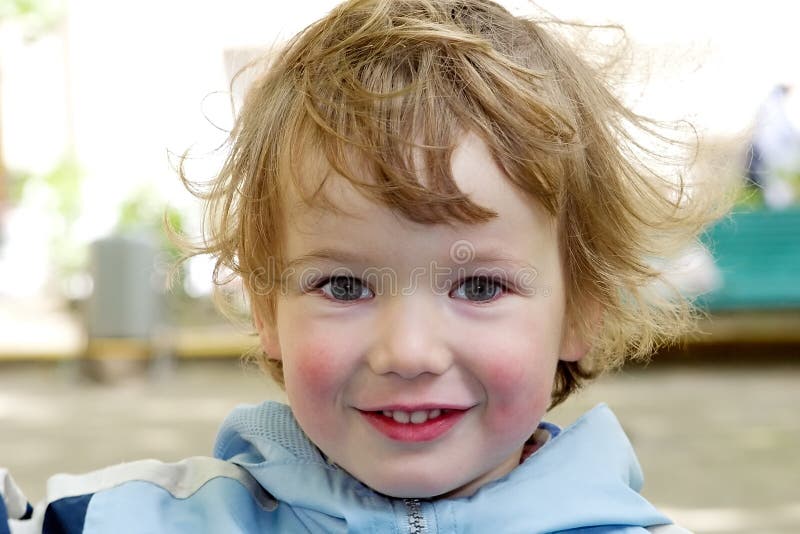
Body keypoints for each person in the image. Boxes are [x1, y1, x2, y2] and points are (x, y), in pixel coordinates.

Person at [3, 0, 727, 531]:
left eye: (480, 286)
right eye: (344, 285)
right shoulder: (130, 521)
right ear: (267, 309)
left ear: (581, 310)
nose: (407, 352)